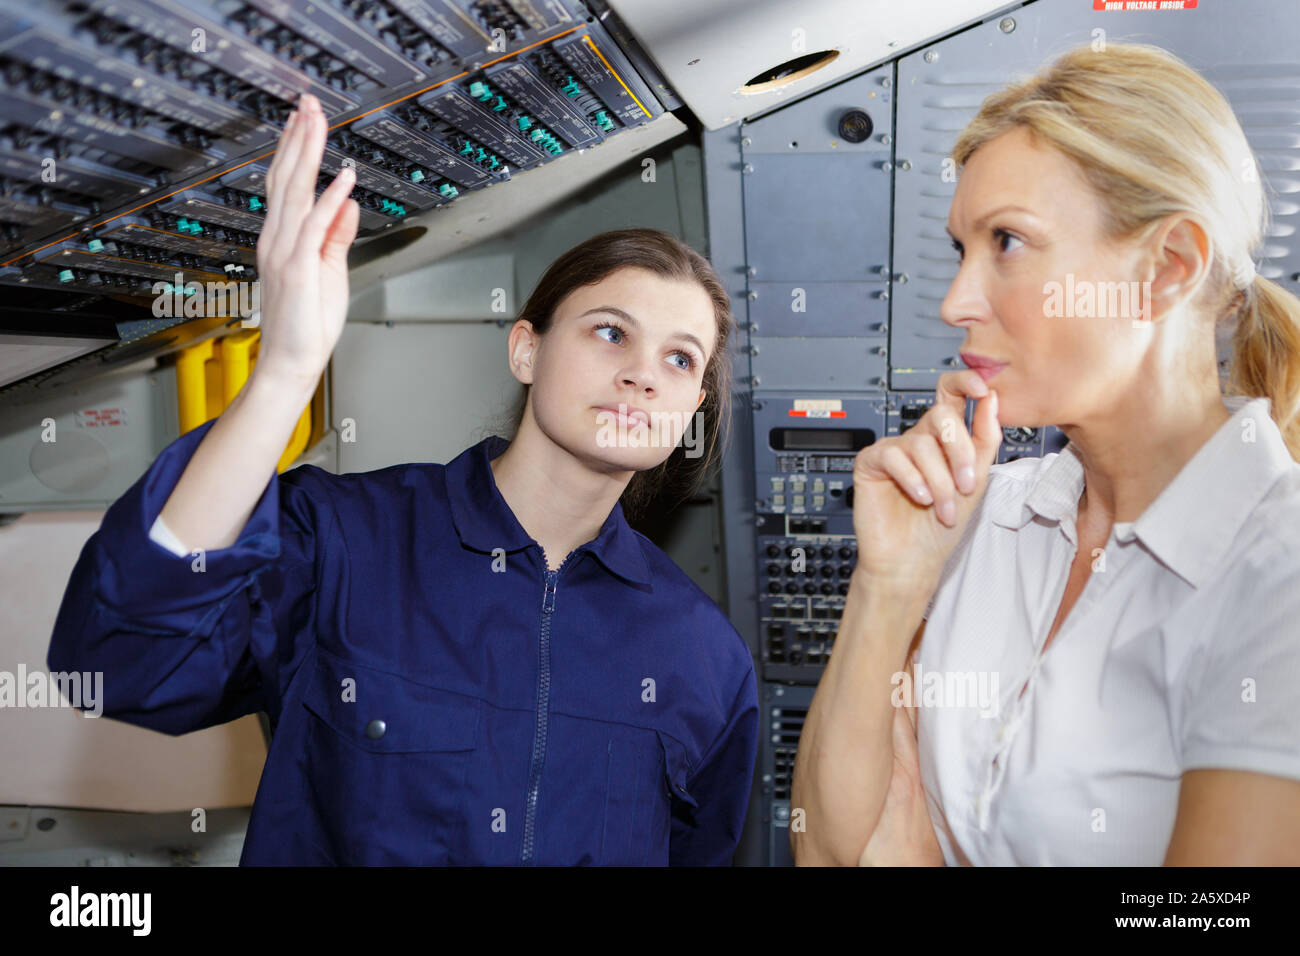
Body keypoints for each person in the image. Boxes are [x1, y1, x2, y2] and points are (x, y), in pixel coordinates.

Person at [47, 91, 758, 866]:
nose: (641, 375)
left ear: (693, 406)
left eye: (680, 359)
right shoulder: (343, 541)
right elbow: (121, 665)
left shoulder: (706, 657)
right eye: (610, 331)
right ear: (526, 350)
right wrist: (284, 372)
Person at [792, 42, 1300, 866]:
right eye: (963, 248)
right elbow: (829, 851)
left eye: (1009, 243)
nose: (958, 302)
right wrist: (888, 585)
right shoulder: (987, 517)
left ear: (1166, 269)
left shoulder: (1279, 567)